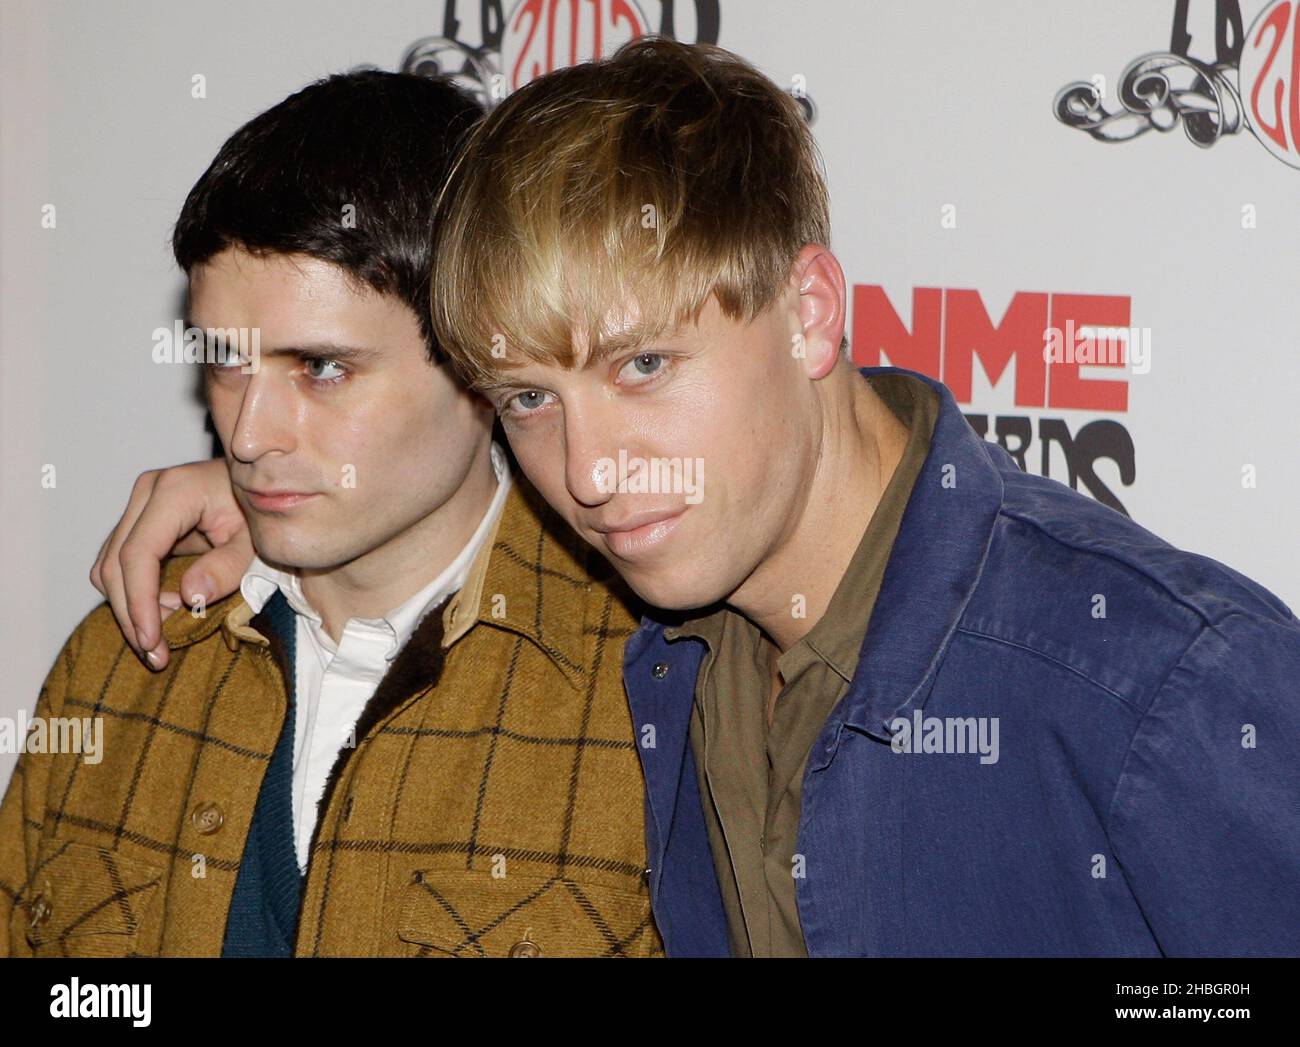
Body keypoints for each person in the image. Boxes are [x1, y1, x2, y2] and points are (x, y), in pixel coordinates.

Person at [82, 39, 1300, 957]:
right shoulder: (668, 651)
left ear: (810, 313)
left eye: (644, 367)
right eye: (528, 399)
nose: (595, 473)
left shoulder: (1158, 683)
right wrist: (278, 501)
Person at [0, 70, 663, 958]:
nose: (246, 431)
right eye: (226, 361)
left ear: (478, 366)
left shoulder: (647, 693)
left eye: (321, 367)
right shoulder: (124, 652)